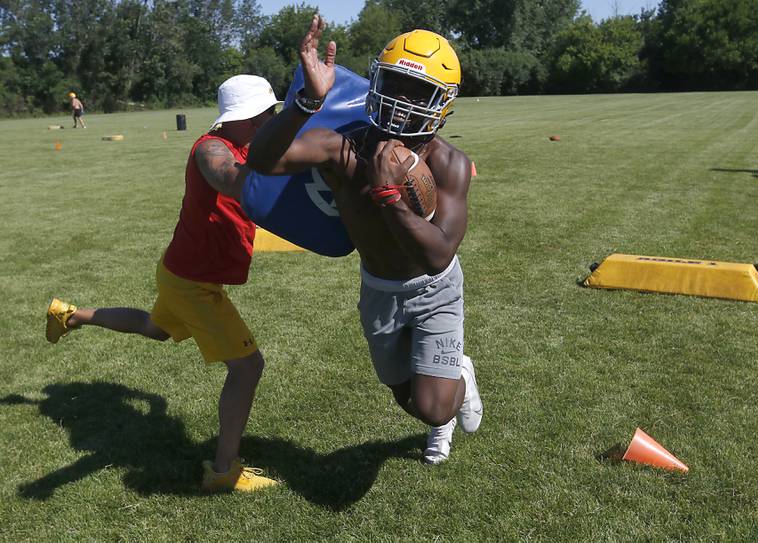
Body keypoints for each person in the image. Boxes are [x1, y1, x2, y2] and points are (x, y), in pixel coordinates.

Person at [247, 15, 483, 464]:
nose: (402, 101)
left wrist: (389, 196)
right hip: (379, 288)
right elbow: (261, 159)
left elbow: (438, 254)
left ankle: (457, 383)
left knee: (433, 407)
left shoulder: (449, 162)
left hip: (435, 289)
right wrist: (305, 102)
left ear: (443, 103)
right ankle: (447, 385)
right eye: (395, 83)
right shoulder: (344, 147)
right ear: (377, 81)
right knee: (405, 396)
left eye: (419, 92)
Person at [46, 75, 281, 492]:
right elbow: (227, 177)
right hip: (193, 283)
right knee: (247, 368)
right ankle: (224, 471)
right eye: (263, 114)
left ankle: (70, 315)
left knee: (155, 328)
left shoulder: (247, 143)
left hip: (179, 271)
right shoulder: (212, 148)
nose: (269, 120)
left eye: (272, 113)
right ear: (238, 118)